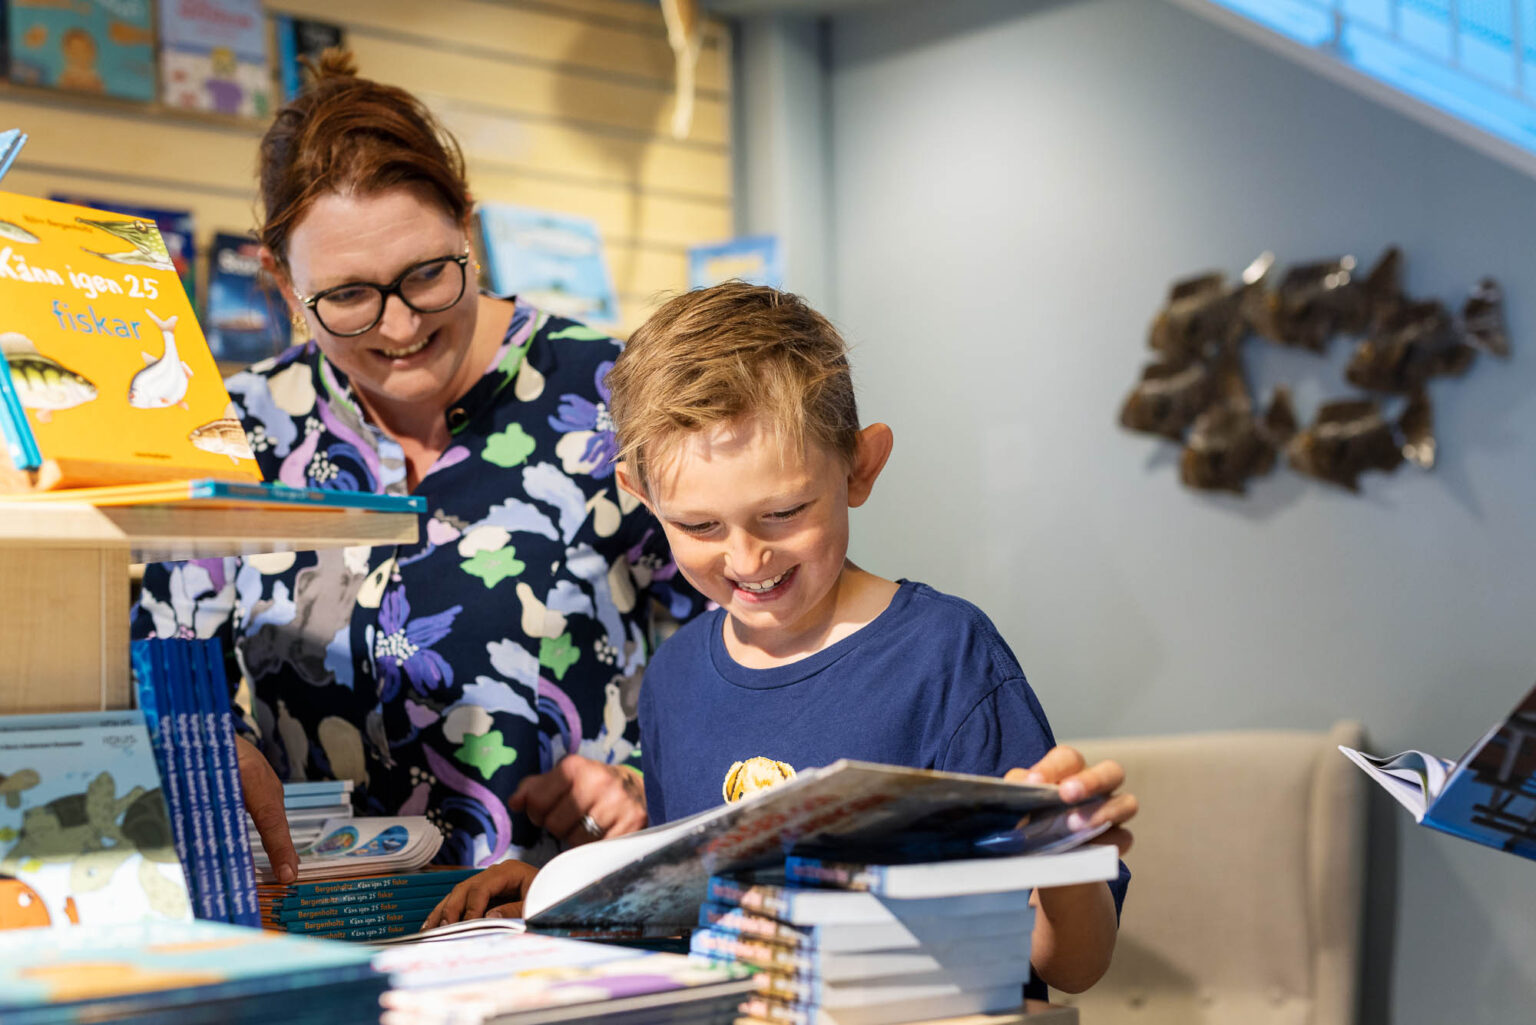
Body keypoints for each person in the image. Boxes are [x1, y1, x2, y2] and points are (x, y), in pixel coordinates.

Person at [426, 282, 1138, 997]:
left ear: (860, 466)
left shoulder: (946, 655)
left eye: (784, 512)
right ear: (641, 496)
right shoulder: (675, 678)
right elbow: (696, 925)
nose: (745, 558)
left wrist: (1064, 863)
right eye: (700, 526)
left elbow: (1072, 965)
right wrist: (571, 904)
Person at [131, 51, 697, 880]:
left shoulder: (612, 392)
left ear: (467, 224)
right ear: (283, 283)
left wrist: (649, 780)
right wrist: (214, 747)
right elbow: (169, 655)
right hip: (323, 919)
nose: (399, 325)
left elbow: (736, 627)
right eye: (350, 296)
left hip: (572, 910)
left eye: (429, 274)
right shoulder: (234, 428)